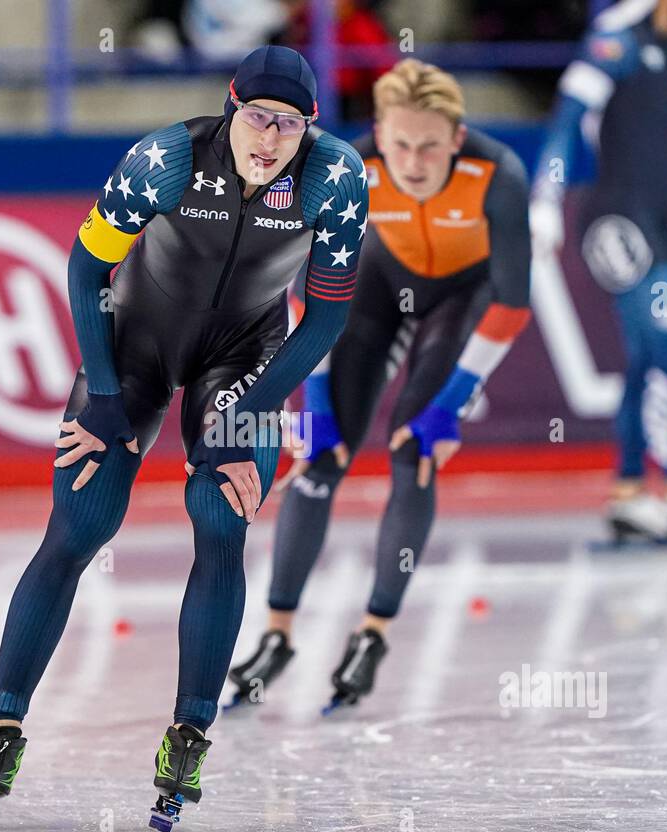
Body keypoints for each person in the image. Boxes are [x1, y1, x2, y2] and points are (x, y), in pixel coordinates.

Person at [0, 45, 368, 831]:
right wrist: (105, 394)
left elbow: (328, 317)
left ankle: (189, 734)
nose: (270, 138)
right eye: (256, 117)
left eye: (288, 125)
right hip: (136, 347)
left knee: (222, 520)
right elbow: (85, 270)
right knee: (78, 525)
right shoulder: (167, 157)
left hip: (246, 360)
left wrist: (247, 419)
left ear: (308, 128)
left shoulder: (336, 177)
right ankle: (2, 727)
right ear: (230, 105)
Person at [228, 58, 531, 711]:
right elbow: (311, 295)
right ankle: (277, 636)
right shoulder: (344, 170)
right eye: (399, 145)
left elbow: (510, 305)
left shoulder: (498, 176)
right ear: (377, 135)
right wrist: (313, 402)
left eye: (429, 146)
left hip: (464, 300)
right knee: (318, 458)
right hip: (374, 288)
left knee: (413, 453)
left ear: (456, 139)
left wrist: (449, 408)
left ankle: (373, 633)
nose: (414, 163)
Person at [530, 0, 667, 543]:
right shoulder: (614, 41)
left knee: (655, 353)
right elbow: (566, 122)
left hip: (658, 220)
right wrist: (545, 198)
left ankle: (629, 490)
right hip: (614, 222)